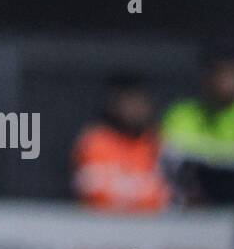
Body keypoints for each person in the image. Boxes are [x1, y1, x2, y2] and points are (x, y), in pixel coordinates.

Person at [160, 50, 234, 209]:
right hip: (198, 211)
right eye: (220, 72)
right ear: (206, 77)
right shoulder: (178, 114)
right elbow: (169, 169)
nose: (227, 80)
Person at [71, 75, 169, 212]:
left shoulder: (159, 143)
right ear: (114, 104)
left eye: (140, 102)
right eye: (129, 102)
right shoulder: (96, 140)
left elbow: (163, 196)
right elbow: (95, 192)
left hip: (152, 226)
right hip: (101, 225)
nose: (136, 109)